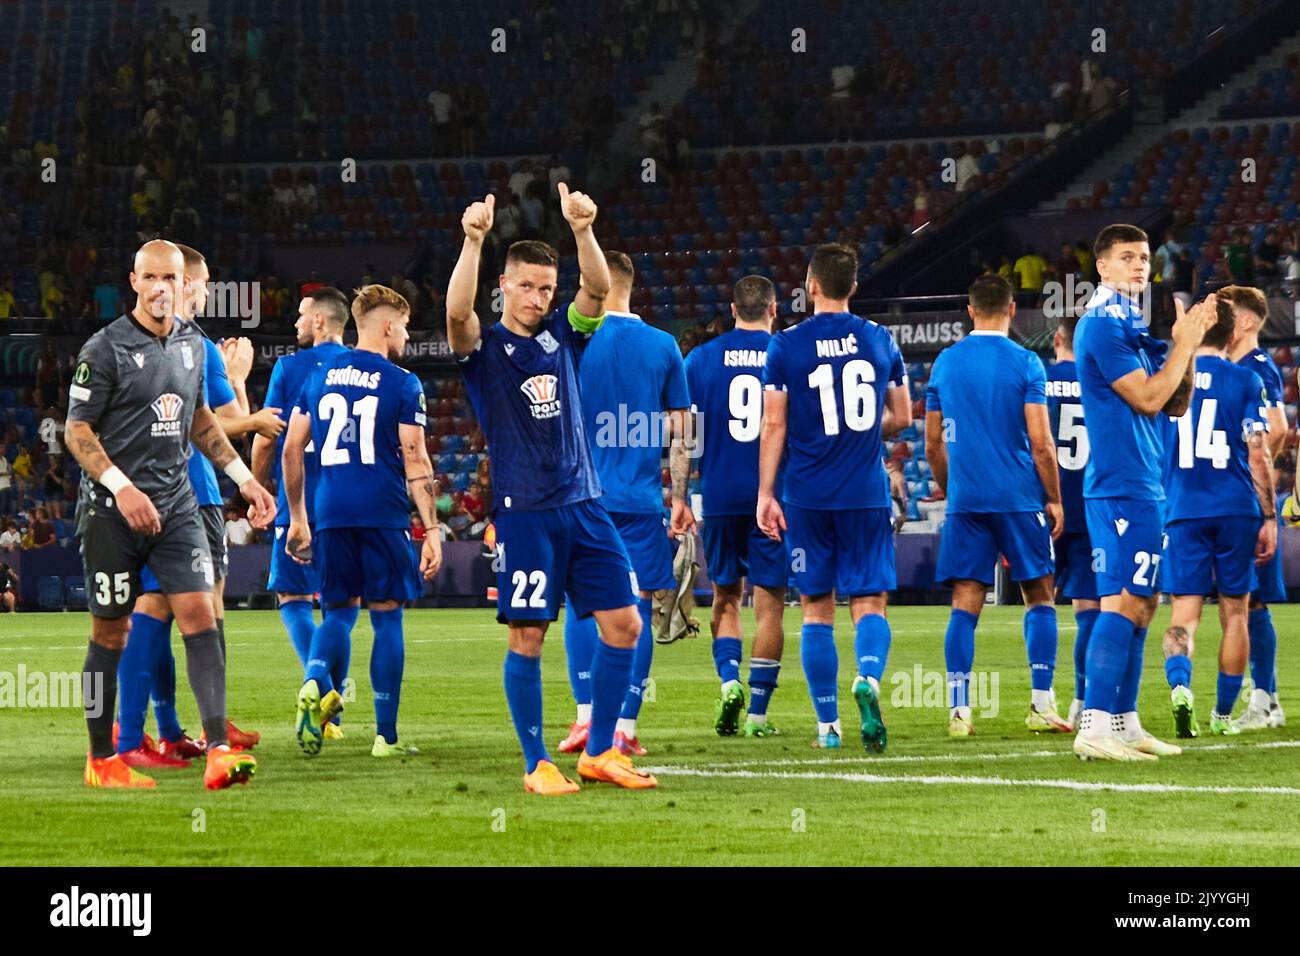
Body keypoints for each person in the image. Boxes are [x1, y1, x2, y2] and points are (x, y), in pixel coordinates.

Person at [447, 183, 656, 794]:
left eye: (545, 287)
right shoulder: (484, 349)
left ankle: (598, 753)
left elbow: (596, 287)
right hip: (526, 513)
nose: (537, 297)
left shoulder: (566, 334)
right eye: (526, 286)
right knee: (529, 635)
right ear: (504, 287)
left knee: (625, 624)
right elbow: (457, 314)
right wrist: (473, 239)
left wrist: (585, 229)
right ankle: (537, 761)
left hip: (585, 504)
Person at [65, 239, 274, 790]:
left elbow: (201, 421)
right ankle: (101, 759)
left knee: (200, 615)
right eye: (151, 278)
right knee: (111, 633)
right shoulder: (104, 348)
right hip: (112, 512)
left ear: (185, 285)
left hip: (177, 506)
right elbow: (76, 430)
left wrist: (245, 480)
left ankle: (219, 751)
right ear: (134, 282)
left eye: (172, 279)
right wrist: (120, 486)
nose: (162, 288)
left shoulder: (189, 344)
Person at [757, 243, 912, 750]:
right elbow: (903, 417)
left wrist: (766, 492)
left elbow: (774, 423)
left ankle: (827, 727)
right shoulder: (880, 339)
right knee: (870, 601)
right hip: (866, 492)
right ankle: (867, 678)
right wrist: (864, 431)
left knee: (816, 608)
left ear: (812, 286)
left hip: (807, 495)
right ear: (854, 288)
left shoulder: (786, 345)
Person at [1071, 223, 1215, 761]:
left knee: (1144, 602)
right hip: (1122, 484)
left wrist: (1190, 348)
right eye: (1127, 257)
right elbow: (1151, 399)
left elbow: (1177, 402)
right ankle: (1094, 725)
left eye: (1145, 257)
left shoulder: (1131, 322)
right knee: (1126, 600)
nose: (1139, 266)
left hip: (1143, 482)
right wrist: (1182, 345)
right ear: (1102, 267)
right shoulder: (1104, 325)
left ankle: (1123, 722)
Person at [283, 285, 442, 758]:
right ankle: (385, 738)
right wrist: (431, 530)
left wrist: (297, 517)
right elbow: (415, 458)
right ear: (389, 325)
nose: (407, 336)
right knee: (387, 618)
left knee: (339, 612)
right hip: (383, 511)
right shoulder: (402, 381)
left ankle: (314, 681)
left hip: (329, 513)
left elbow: (292, 449)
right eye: (406, 326)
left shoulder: (319, 375)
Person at [554, 251, 692, 758]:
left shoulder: (573, 341)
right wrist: (680, 498)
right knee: (638, 609)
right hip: (638, 502)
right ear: (632, 285)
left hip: (579, 499)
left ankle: (587, 720)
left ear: (591, 282)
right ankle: (626, 726)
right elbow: (683, 432)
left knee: (582, 609)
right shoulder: (663, 345)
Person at [925, 275, 1071, 737]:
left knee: (964, 603)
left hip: (967, 501)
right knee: (1040, 595)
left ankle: (959, 710)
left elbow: (932, 444)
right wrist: (1053, 497)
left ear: (969, 310)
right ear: (1011, 310)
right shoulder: (1027, 362)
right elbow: (1042, 442)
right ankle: (1042, 704)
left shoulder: (945, 364)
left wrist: (953, 491)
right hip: (1018, 497)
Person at [1160, 297, 1276, 737]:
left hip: (1183, 510)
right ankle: (1223, 716)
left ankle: (1179, 687)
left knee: (1183, 616)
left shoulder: (1172, 379)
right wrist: (1268, 515)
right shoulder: (1246, 380)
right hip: (1235, 509)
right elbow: (1258, 451)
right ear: (1231, 336)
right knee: (1236, 613)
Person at [684, 275, 788, 738]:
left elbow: (684, 435)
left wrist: (679, 497)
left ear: (731, 309)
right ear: (773, 309)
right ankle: (759, 715)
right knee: (770, 606)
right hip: (774, 498)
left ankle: (729, 683)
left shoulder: (700, 360)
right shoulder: (787, 354)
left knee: (726, 597)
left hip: (720, 496)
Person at [249, 287, 351, 731]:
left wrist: (255, 490)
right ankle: (331, 712)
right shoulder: (362, 366)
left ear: (321, 322)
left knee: (292, 597)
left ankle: (322, 687)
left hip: (301, 504)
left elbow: (268, 435)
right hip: (352, 507)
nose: (295, 323)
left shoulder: (290, 368)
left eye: (301, 315)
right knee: (340, 606)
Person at [1223, 284, 1290, 729]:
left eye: (1226, 313)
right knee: (1246, 602)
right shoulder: (1235, 368)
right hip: (1235, 500)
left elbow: (1278, 429)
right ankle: (1265, 694)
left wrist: (1254, 480)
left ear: (1246, 321)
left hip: (1247, 500)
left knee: (1252, 601)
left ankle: (1265, 699)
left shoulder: (1258, 367)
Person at [1046, 316, 1101, 727]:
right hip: (1088, 506)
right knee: (1088, 609)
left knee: (1038, 603)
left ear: (1055, 340)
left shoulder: (1038, 377)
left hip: (1043, 508)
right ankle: (1082, 702)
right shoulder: (1100, 383)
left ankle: (1041, 700)